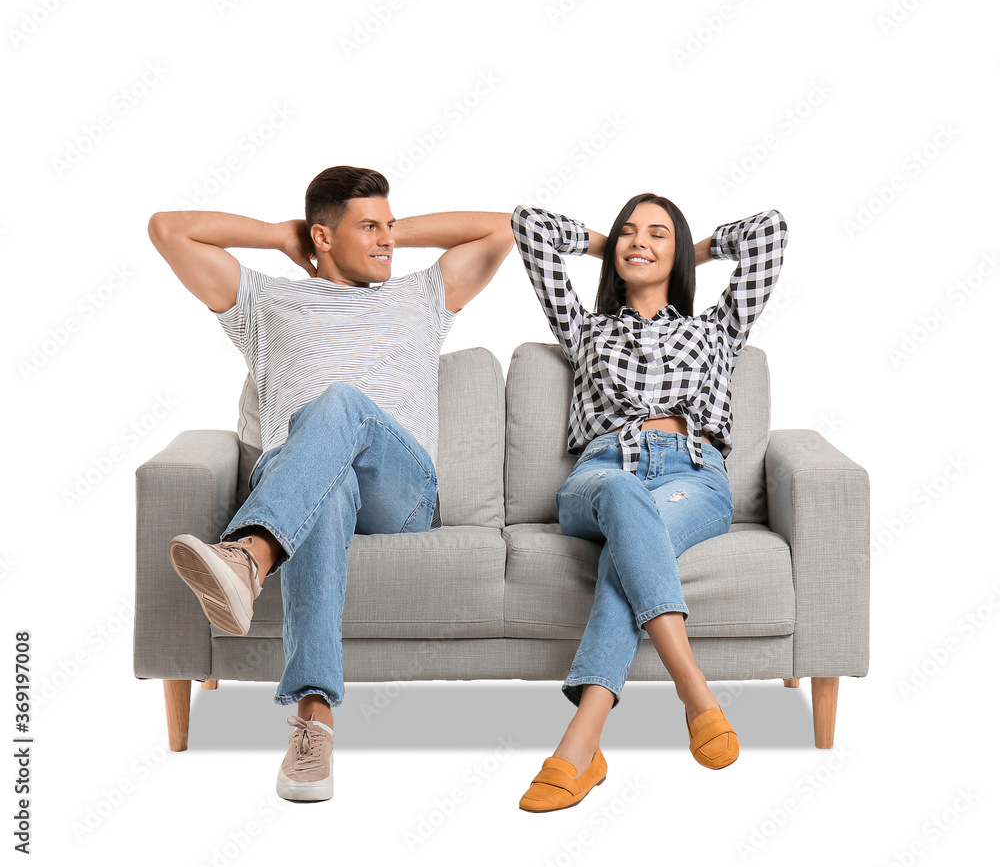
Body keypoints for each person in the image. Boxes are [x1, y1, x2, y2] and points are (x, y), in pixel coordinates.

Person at [147, 165, 513, 801]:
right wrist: (282, 236)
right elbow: (167, 229)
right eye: (368, 227)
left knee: (339, 403)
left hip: (398, 493)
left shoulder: (420, 298)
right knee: (327, 490)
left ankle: (250, 555)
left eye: (389, 226)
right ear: (323, 234)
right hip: (310, 489)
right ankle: (313, 724)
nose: (387, 241)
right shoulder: (265, 302)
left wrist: (385, 232)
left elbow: (502, 229)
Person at [511, 195, 787, 812]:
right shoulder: (584, 329)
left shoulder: (716, 329)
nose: (640, 241)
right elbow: (529, 225)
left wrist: (696, 251)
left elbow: (770, 232)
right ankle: (694, 690)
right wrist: (604, 243)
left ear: (676, 250)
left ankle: (581, 746)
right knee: (622, 494)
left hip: (694, 473)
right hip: (602, 473)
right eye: (629, 234)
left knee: (630, 555)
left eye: (657, 234)